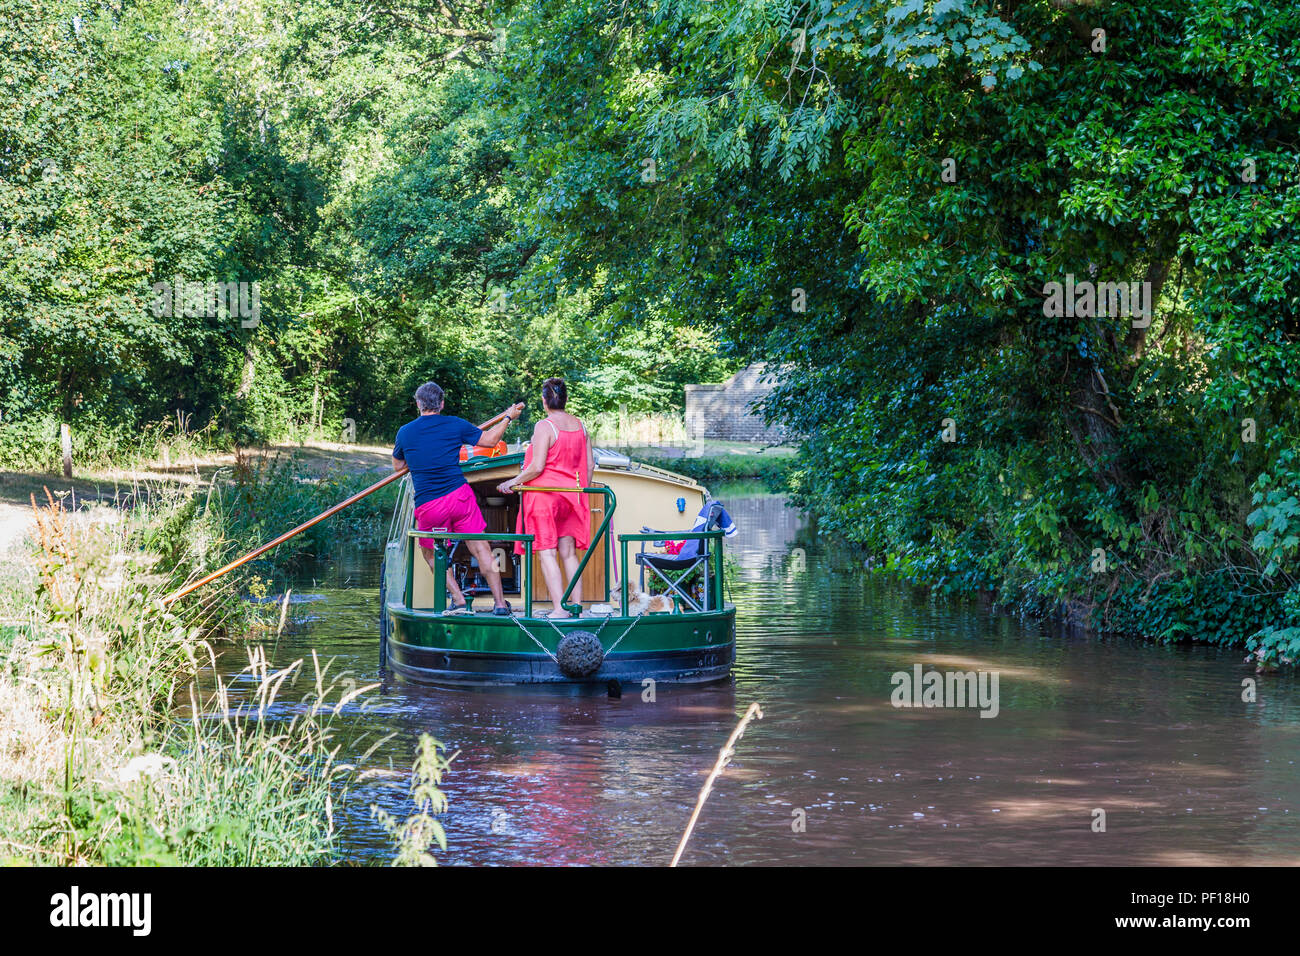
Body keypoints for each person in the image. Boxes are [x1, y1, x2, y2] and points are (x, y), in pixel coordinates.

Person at [393, 382, 523, 615]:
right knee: (482, 549)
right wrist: (508, 418)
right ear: (441, 404)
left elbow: (398, 466)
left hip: (429, 505)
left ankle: (459, 599)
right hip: (459, 497)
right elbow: (491, 441)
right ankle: (501, 605)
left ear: (418, 404)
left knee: (432, 554)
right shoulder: (455, 424)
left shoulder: (405, 432)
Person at [497, 378, 594, 618]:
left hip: (544, 498)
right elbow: (590, 465)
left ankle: (560, 609)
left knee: (548, 553)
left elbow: (536, 467)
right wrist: (581, 491)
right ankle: (577, 607)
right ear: (566, 399)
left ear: (544, 401)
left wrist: (512, 481)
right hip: (572, 496)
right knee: (569, 553)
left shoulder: (544, 426)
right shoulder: (581, 426)